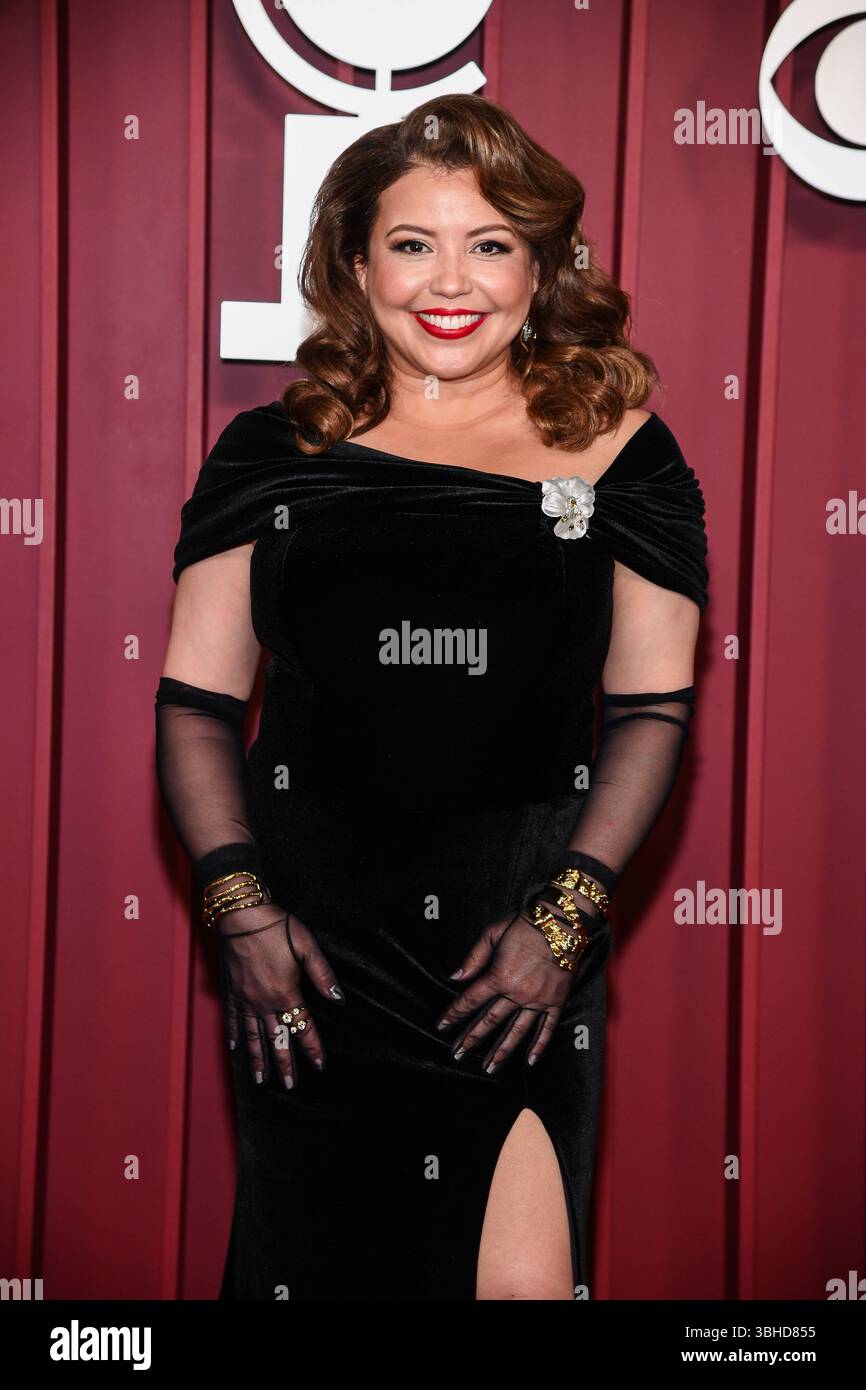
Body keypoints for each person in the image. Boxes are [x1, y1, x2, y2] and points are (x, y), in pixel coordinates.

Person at [155, 93, 708, 1301]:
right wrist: (241, 912)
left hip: (512, 964)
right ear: (356, 265)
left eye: (490, 242)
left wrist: (564, 920)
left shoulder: (620, 450)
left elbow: (653, 713)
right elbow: (197, 702)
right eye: (412, 244)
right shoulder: (270, 453)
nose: (448, 281)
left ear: (541, 261)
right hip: (308, 962)